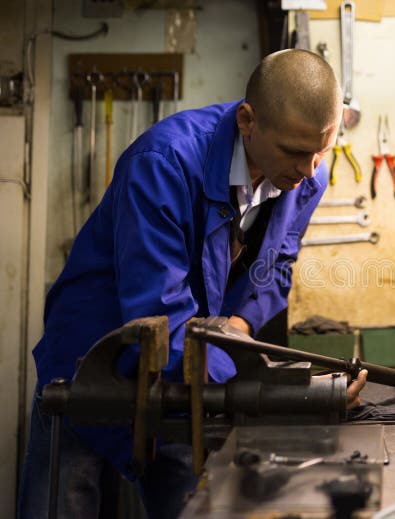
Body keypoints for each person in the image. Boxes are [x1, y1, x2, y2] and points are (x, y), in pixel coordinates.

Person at [18, 49, 367, 519]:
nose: (309, 170)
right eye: (294, 152)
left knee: (193, 506)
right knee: (65, 502)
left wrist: (240, 328)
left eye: (319, 151)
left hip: (189, 366)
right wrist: (285, 387)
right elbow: (158, 310)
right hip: (93, 362)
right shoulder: (162, 164)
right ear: (248, 121)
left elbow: (276, 262)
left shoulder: (306, 175)